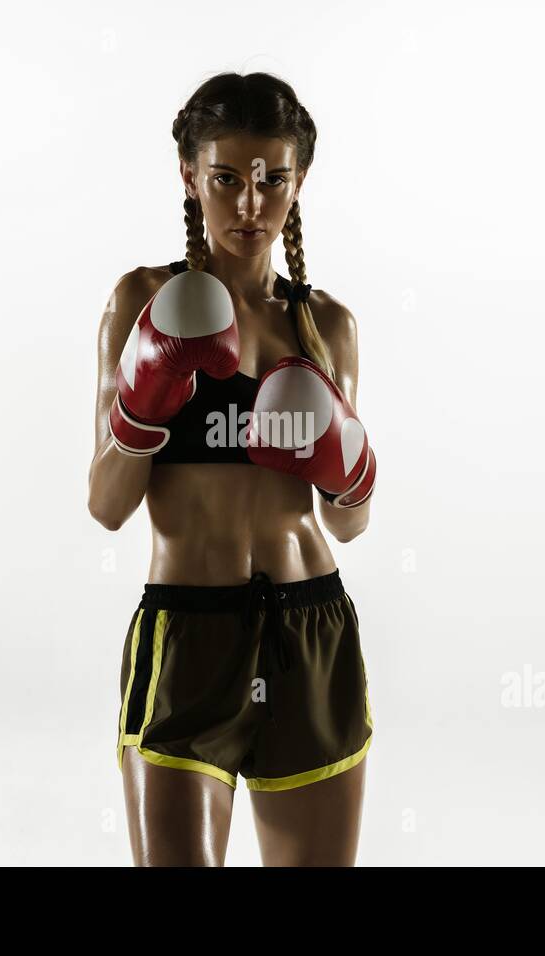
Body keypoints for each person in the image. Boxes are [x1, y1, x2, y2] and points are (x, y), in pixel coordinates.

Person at [88, 72, 377, 867]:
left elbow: (347, 525)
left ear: (299, 181)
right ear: (190, 177)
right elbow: (107, 505)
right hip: (187, 634)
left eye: (271, 180)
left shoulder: (326, 326)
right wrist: (143, 402)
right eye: (226, 179)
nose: (250, 205)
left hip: (309, 628)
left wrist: (348, 470)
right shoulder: (140, 300)